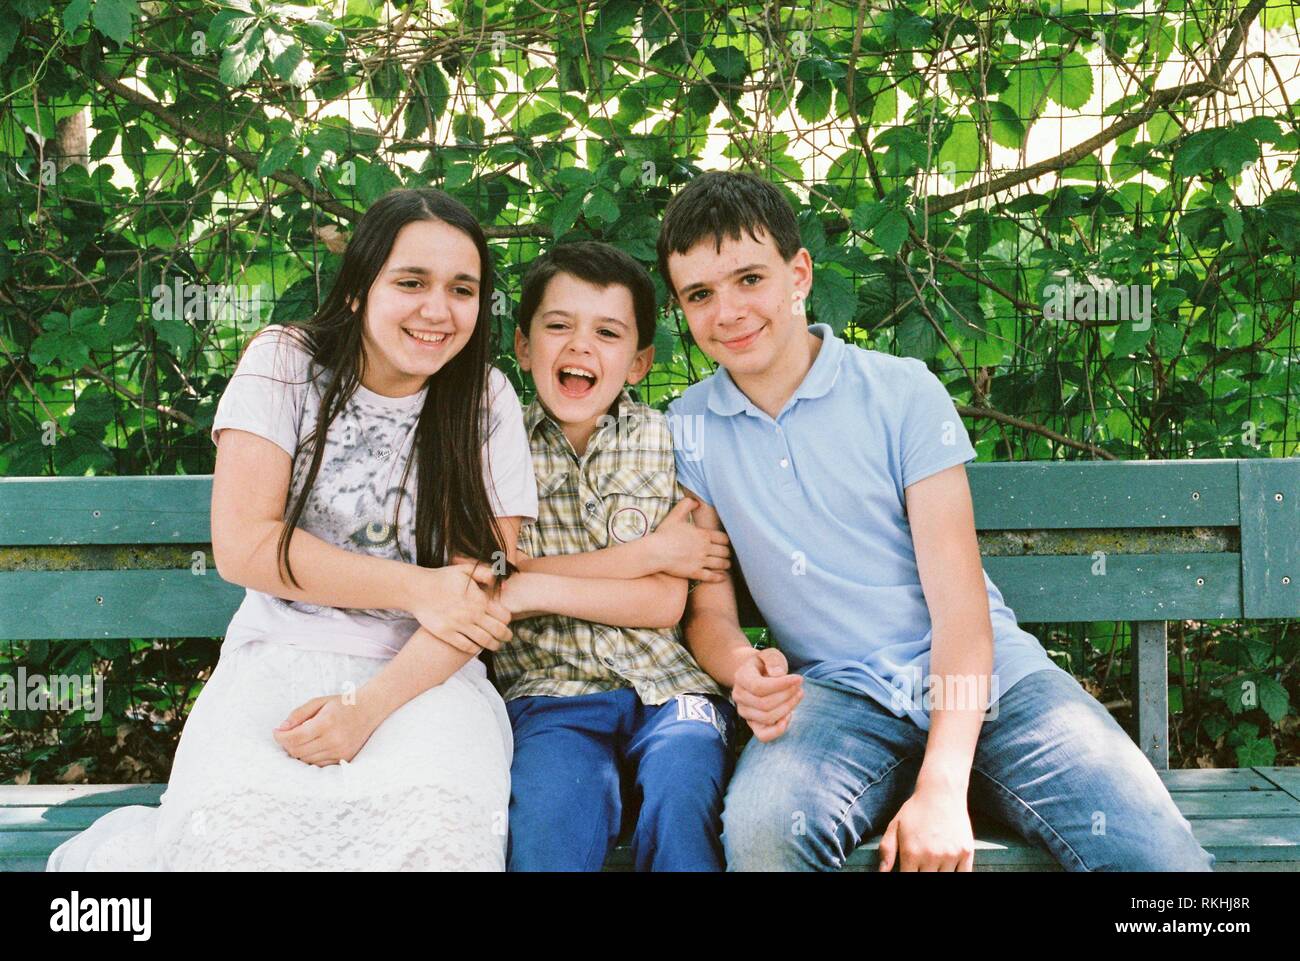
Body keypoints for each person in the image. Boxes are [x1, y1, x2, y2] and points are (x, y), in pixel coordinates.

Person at [46, 188, 648, 872]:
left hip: (427, 675)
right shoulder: (285, 362)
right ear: (360, 288)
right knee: (237, 848)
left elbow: (473, 599)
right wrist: (416, 585)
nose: (436, 309)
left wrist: (365, 707)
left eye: (462, 288)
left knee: (436, 845)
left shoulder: (484, 399)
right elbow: (246, 543)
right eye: (411, 282)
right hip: (276, 653)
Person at [657, 171, 1215, 872]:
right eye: (700, 294)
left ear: (798, 274)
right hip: (834, 695)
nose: (729, 310)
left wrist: (943, 784)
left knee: (1164, 862)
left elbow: (961, 612)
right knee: (767, 835)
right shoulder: (689, 429)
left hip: (991, 685)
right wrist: (744, 668)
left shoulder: (901, 394)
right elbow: (707, 611)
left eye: (749, 279)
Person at [498, 241, 737, 871]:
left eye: (607, 332)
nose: (581, 347)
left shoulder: (663, 440)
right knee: (553, 813)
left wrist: (532, 583)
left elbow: (663, 602)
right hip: (549, 694)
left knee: (683, 788)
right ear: (524, 347)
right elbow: (497, 581)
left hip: (673, 692)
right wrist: (653, 550)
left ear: (638, 362)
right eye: (558, 326)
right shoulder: (497, 446)